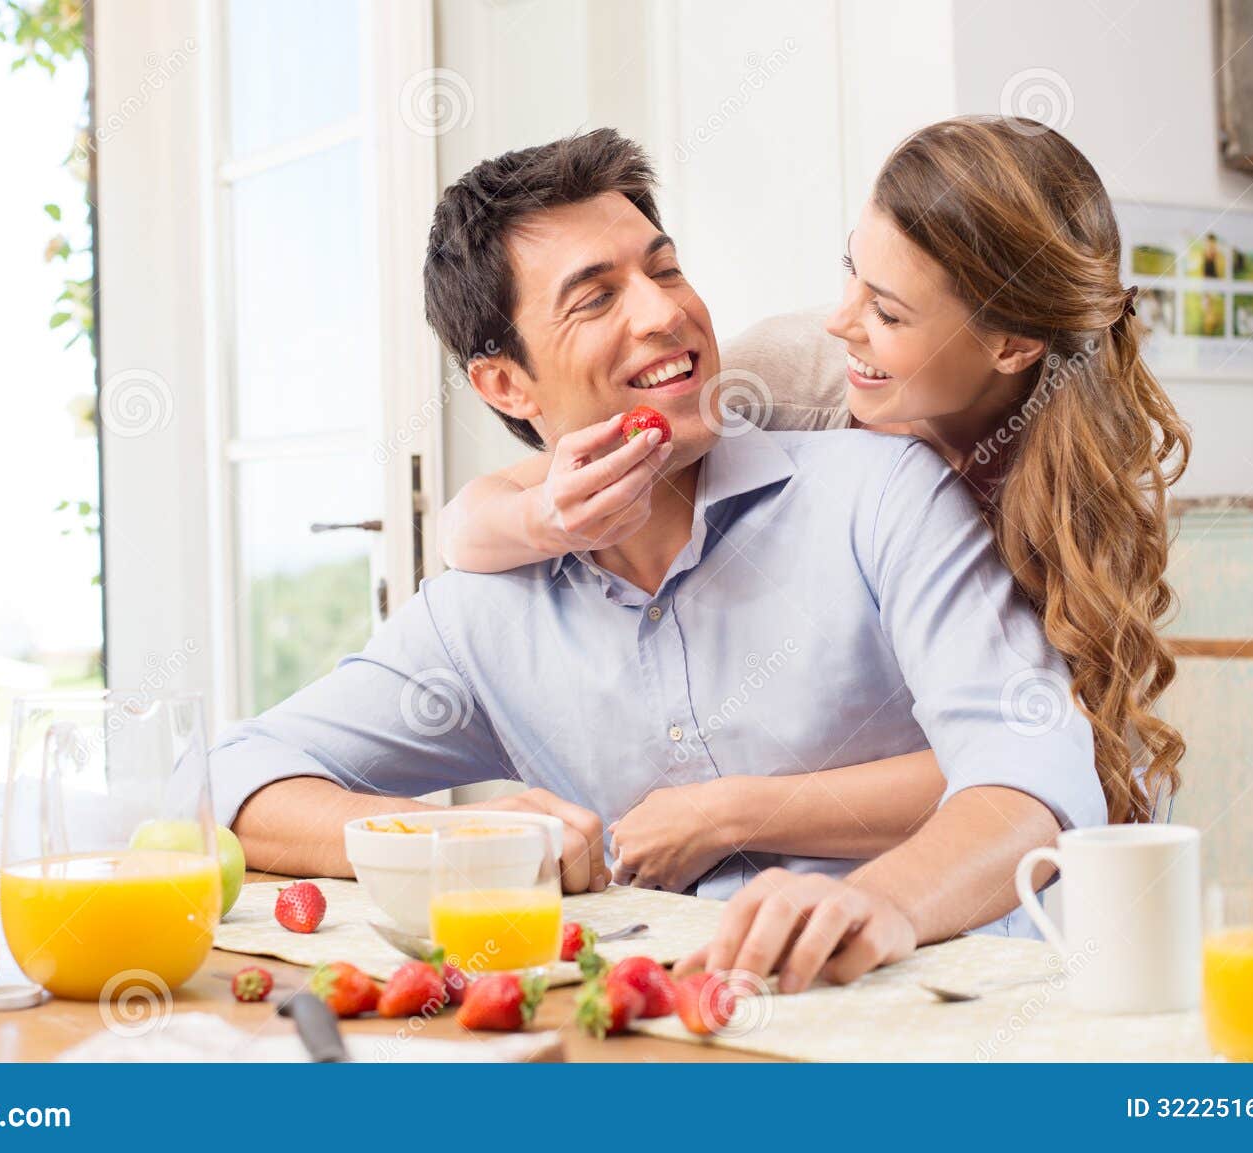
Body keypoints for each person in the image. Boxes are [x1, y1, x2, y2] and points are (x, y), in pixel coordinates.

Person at [210, 128, 1103, 990]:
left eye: (666, 267)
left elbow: (1033, 774)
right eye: (596, 296)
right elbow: (224, 779)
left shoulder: (882, 487)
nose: (665, 309)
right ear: (504, 384)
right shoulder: (484, 610)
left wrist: (878, 908)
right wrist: (434, 836)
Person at [436, 118, 1190, 988]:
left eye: (889, 310)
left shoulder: (1079, 480)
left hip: (1000, 877)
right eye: (850, 274)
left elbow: (1048, 757)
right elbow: (489, 507)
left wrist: (732, 811)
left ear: (1012, 345)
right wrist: (545, 525)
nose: (843, 323)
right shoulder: (791, 371)